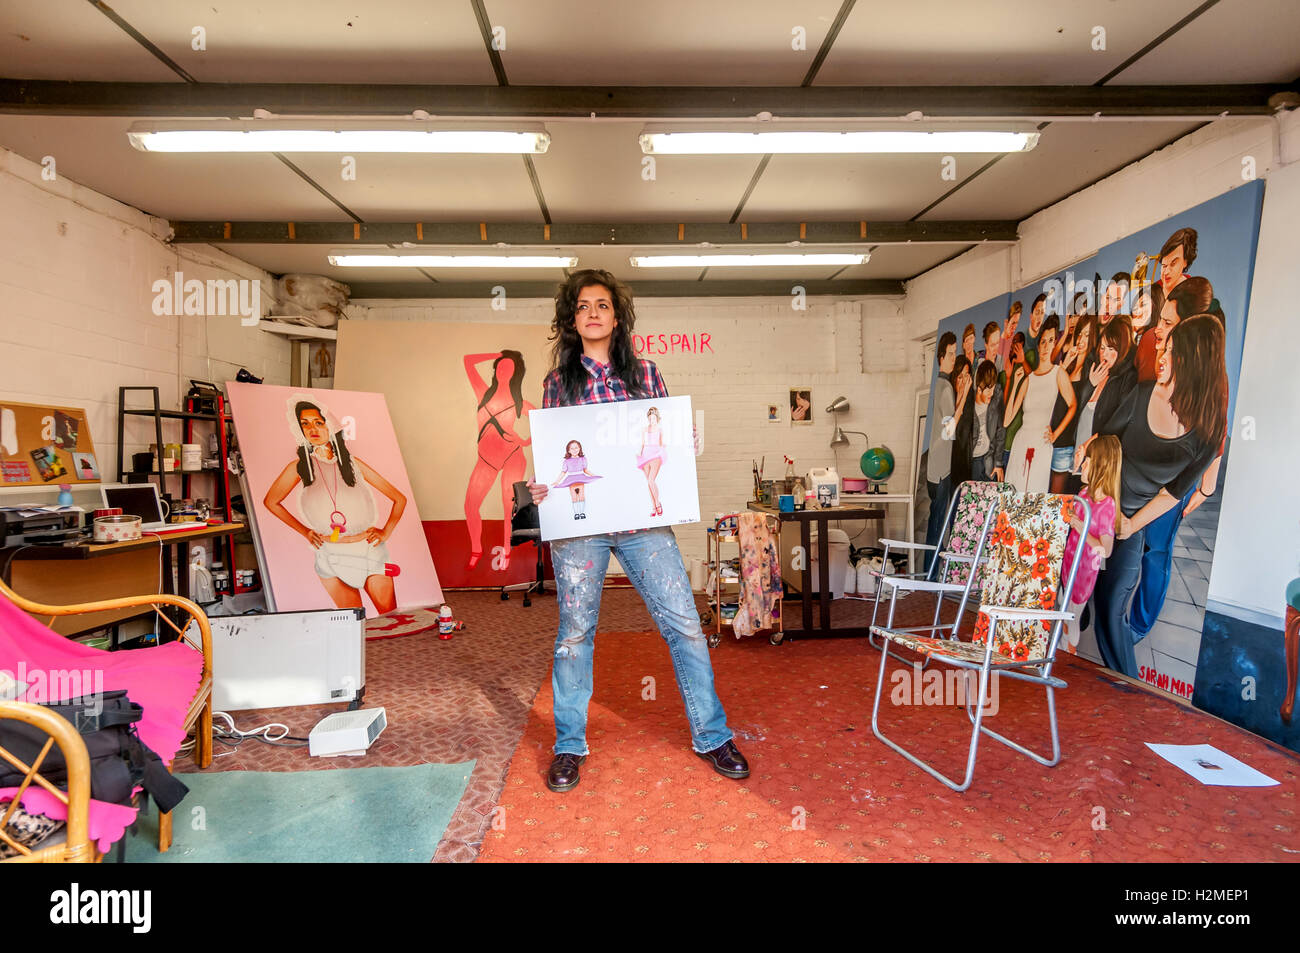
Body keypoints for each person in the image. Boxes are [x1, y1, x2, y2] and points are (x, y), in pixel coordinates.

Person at [527, 269, 747, 793]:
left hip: (643, 525)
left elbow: (664, 449)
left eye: (602, 304)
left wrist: (684, 440)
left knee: (686, 626)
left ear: (617, 316)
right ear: (572, 319)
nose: (594, 313)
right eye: (583, 306)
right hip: (581, 530)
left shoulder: (645, 373)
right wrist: (542, 488)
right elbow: (556, 457)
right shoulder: (558, 384)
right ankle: (569, 746)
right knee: (574, 637)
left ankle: (712, 734)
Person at [1088, 316, 1227, 677]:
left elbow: (1173, 493)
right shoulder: (1142, 394)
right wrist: (1104, 505)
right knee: (1087, 598)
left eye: (1171, 351)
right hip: (1101, 507)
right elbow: (1104, 441)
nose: (1161, 356)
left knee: (1112, 606)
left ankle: (1128, 693)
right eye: (1163, 348)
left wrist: (1131, 522)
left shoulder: (1207, 434)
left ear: (1194, 361)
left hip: (1132, 523)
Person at [263, 397, 406, 613]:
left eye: (318, 422)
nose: (312, 428)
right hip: (330, 555)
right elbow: (271, 502)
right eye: (305, 423)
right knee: (351, 624)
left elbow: (399, 498)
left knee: (389, 618)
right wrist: (305, 532)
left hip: (368, 551)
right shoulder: (300, 467)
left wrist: (386, 532)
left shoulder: (353, 464)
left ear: (330, 425)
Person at [463, 350, 534, 569]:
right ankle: (476, 548)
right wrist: (499, 354)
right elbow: (468, 361)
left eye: (509, 368)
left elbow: (542, 427)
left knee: (507, 507)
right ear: (496, 369)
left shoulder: (521, 403)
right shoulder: (482, 393)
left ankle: (506, 551)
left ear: (516, 374)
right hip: (486, 459)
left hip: (512, 456)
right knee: (470, 505)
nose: (504, 370)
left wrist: (523, 441)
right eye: (501, 366)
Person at [1061, 435, 1120, 654]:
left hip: (1083, 575)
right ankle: (1059, 651)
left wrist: (1079, 526)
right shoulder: (1084, 493)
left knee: (1072, 618)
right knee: (1063, 613)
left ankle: (1068, 657)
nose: (1083, 464)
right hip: (1068, 566)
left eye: (1087, 460)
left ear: (1101, 466)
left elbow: (1105, 549)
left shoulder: (1107, 506)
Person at [1004, 316, 1075, 493]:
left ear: (1054, 344)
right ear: (1038, 345)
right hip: (1021, 441)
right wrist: (1015, 385)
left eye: (1050, 341)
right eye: (1042, 341)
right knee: (1013, 494)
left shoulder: (1058, 373)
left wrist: (1055, 434)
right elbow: (1007, 421)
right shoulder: (1029, 379)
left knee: (1034, 495)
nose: (1045, 346)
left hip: (1041, 444)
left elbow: (1073, 405)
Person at [1072, 315, 1138, 472]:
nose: (1104, 355)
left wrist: (1089, 445)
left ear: (1121, 350)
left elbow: (1118, 422)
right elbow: (1077, 408)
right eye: (1102, 348)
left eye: (1111, 349)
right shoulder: (1094, 370)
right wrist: (1090, 385)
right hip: (1078, 452)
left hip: (1100, 459)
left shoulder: (1127, 378)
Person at [1049, 315, 1096, 493]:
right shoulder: (1070, 363)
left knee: (1056, 498)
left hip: (1067, 442)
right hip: (1050, 439)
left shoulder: (1090, 369)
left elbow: (1079, 409)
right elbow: (1054, 397)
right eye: (1080, 334)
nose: (1082, 339)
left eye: (1087, 335)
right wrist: (1065, 365)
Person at [1136, 277, 1214, 383]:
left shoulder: (1202, 375)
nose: (1157, 329)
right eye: (1160, 319)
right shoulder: (1149, 341)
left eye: (1167, 323)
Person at [924, 331, 958, 567]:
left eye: (956, 354)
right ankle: (932, 572)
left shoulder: (936, 385)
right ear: (941, 357)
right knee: (938, 523)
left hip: (933, 465)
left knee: (934, 521)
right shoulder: (945, 388)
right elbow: (949, 431)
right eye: (951, 354)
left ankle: (929, 569)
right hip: (942, 467)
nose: (954, 358)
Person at [969, 359, 1006, 482]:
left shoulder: (996, 399)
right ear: (979, 389)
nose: (992, 393)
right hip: (972, 461)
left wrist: (998, 462)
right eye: (988, 389)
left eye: (993, 387)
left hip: (988, 458)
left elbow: (1001, 430)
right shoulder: (969, 404)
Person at [551, 439, 601, 520]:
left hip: (580, 478)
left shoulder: (582, 459)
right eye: (572, 448)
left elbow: (585, 470)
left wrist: (594, 475)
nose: (574, 450)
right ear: (568, 450)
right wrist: (557, 481)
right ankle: (576, 513)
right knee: (574, 497)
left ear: (580, 448)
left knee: (581, 496)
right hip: (571, 479)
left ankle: (582, 512)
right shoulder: (566, 461)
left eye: (576, 448)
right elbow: (563, 472)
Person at [948, 356, 975, 489]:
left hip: (966, 465)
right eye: (960, 376)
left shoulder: (972, 400)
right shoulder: (947, 398)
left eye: (966, 376)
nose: (964, 381)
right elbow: (948, 432)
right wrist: (962, 397)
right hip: (948, 464)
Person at [636, 407, 668, 517]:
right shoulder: (644, 429)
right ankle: (654, 506)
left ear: (657, 418)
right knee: (648, 483)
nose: (651, 421)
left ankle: (658, 503)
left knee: (651, 480)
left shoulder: (660, 429)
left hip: (656, 454)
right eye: (650, 419)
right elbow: (642, 442)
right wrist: (640, 452)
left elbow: (662, 443)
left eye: (653, 418)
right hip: (645, 454)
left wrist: (663, 447)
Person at [1023, 293, 1047, 369]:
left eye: (1042, 313)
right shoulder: (1022, 338)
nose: (1039, 317)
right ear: (1031, 316)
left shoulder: (1046, 334)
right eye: (1037, 312)